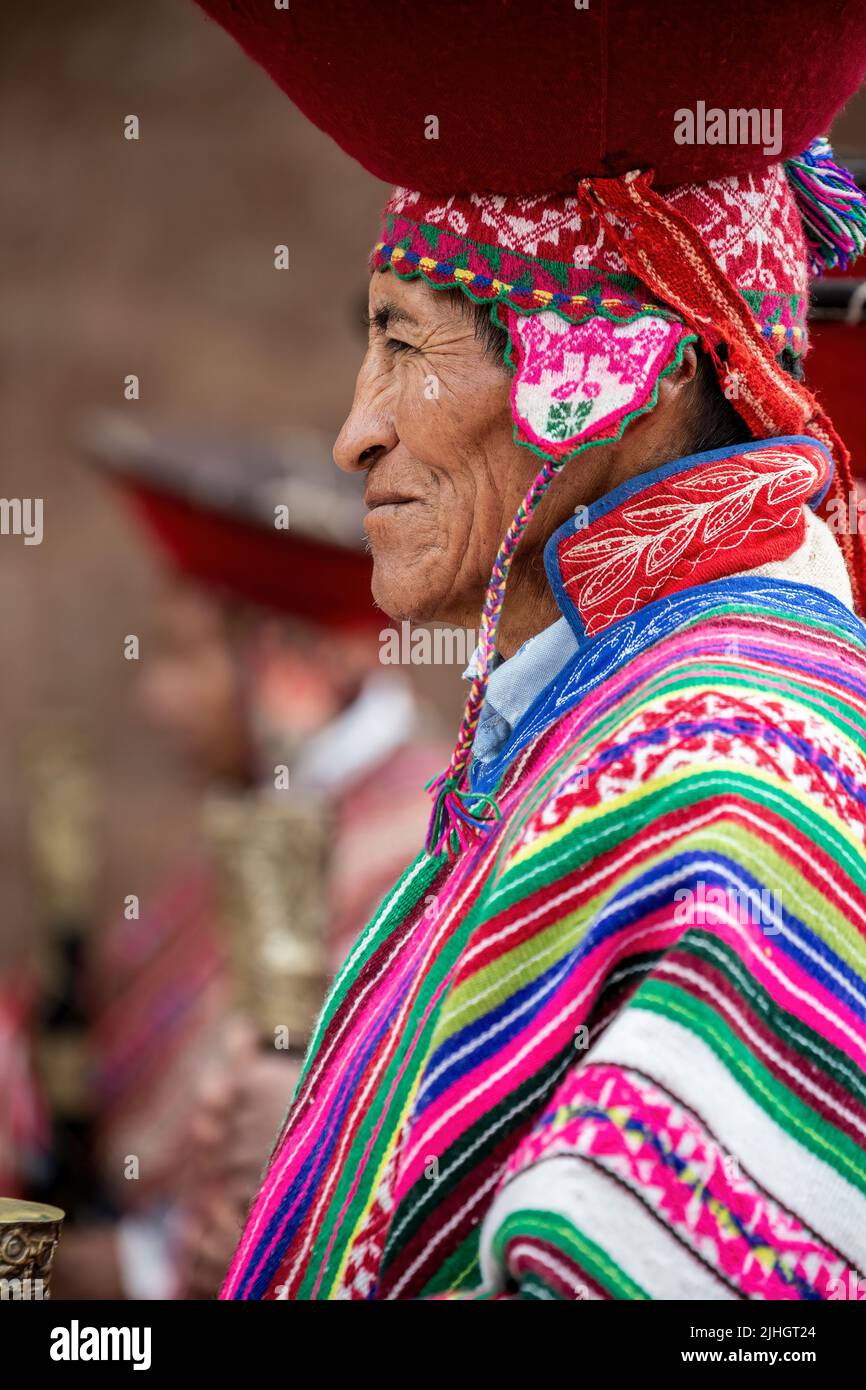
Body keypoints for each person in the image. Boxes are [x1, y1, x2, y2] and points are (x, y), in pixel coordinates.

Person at [198, 1, 866, 1301]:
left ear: (616, 374)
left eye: (403, 347)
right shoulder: (609, 729)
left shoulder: (739, 782)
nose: (355, 436)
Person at [51, 421, 445, 1298]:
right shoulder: (272, 817)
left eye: (184, 655)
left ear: (282, 661)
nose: (156, 700)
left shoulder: (413, 854)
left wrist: (91, 1271)